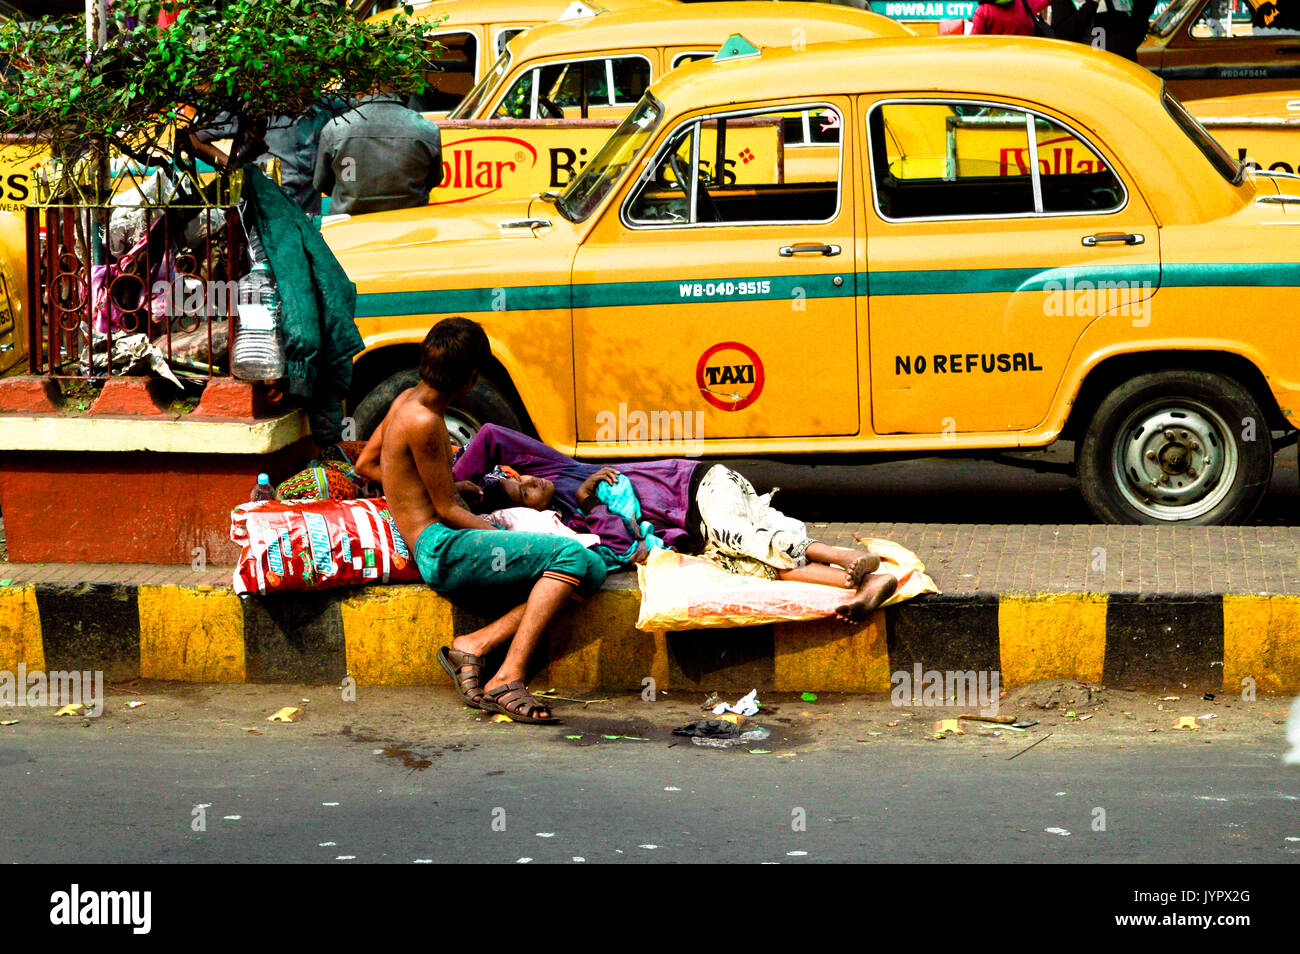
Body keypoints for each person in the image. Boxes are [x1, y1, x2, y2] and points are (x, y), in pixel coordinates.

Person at [362, 319, 606, 724]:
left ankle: (474, 644)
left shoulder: (406, 400)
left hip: (439, 538)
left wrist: (435, 482)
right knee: (568, 554)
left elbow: (368, 463)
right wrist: (503, 533)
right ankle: (507, 677)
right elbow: (448, 511)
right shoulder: (426, 422)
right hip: (440, 547)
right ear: (471, 380)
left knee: (592, 568)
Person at [445, 424, 898, 622]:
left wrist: (453, 486)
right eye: (524, 488)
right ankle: (860, 585)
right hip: (698, 530)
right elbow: (628, 546)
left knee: (745, 537)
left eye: (520, 474)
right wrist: (587, 507)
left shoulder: (558, 469)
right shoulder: (568, 523)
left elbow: (488, 436)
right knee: (752, 565)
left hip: (697, 486)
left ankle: (848, 556)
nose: (532, 479)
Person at [314, 87, 443, 215]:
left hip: (350, 228)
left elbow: (322, 183)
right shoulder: (427, 130)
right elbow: (434, 179)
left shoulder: (335, 128)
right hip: (410, 227)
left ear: (361, 88)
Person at [971, 0, 1050, 34]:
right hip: (1028, 62)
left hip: (992, 64)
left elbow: (974, 44)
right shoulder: (1027, 3)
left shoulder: (983, 12)